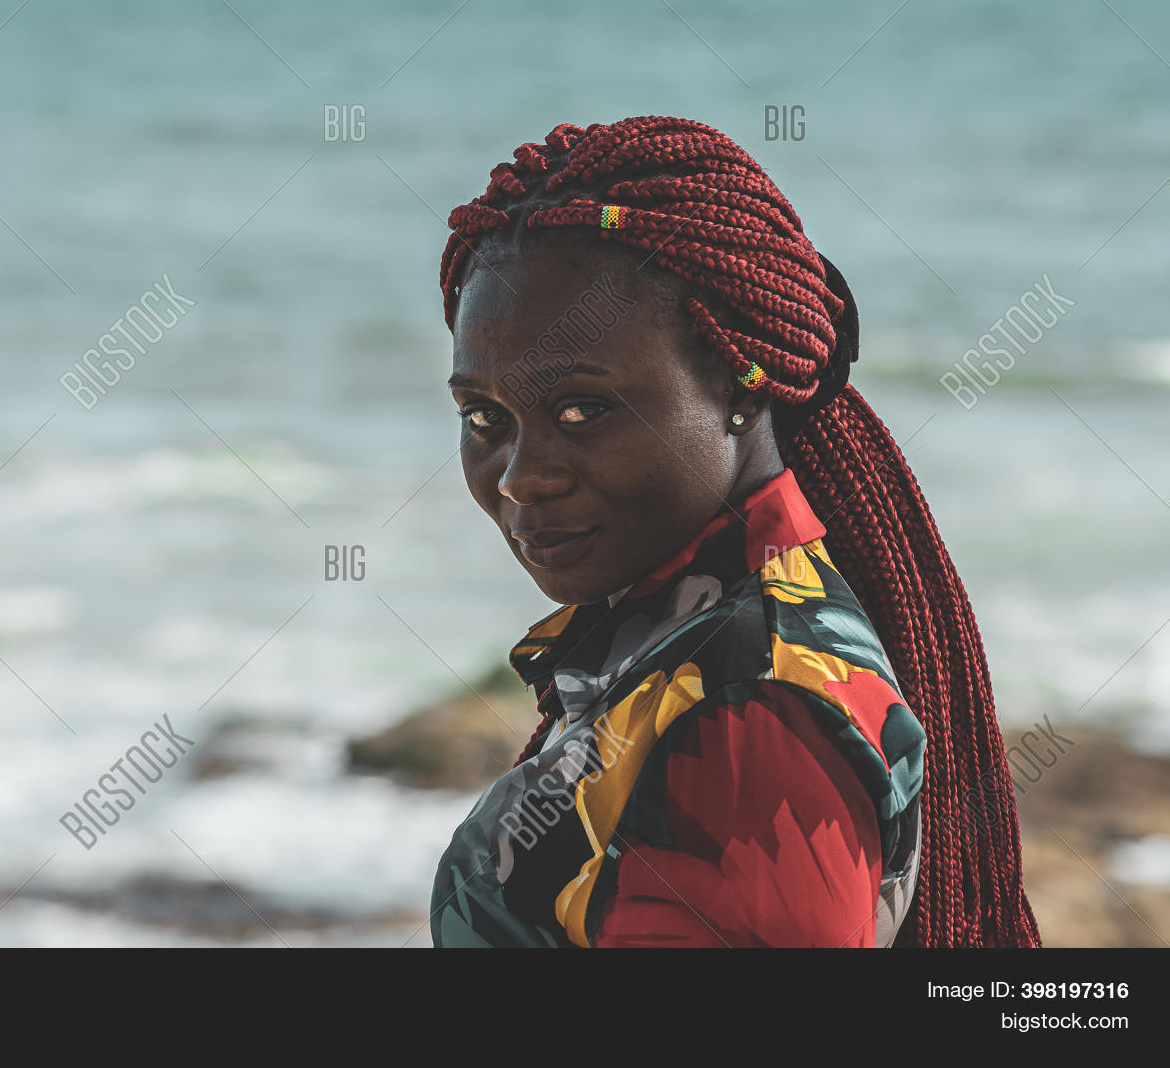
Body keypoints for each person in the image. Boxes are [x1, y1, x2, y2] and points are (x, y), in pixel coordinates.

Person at [429, 116, 1039, 947]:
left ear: (738, 390)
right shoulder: (681, 639)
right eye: (484, 416)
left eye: (581, 409)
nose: (519, 476)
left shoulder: (753, 709)